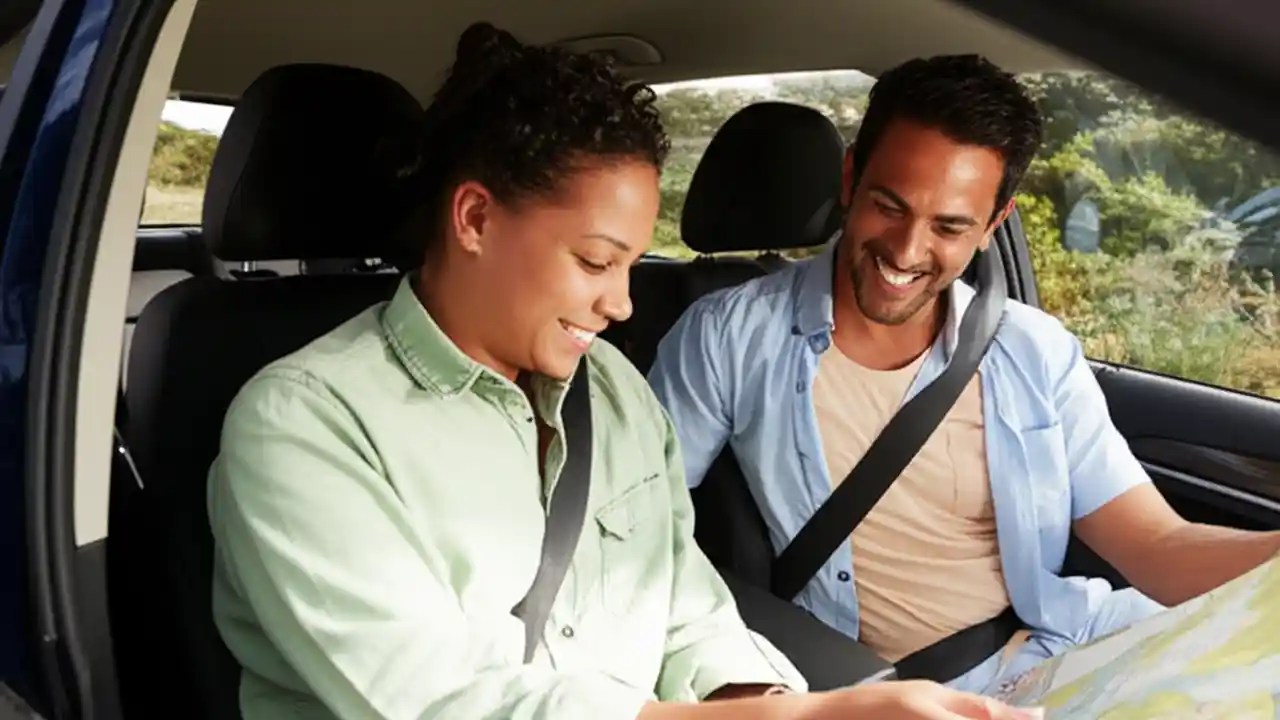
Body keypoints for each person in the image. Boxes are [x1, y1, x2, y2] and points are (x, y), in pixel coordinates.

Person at [205, 23, 1042, 720]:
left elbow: (683, 600)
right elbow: (444, 703)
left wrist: (753, 690)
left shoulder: (609, 391)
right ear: (474, 219)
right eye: (597, 262)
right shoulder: (303, 425)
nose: (622, 305)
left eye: (634, 266)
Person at [647, 54, 1280, 696]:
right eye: (888, 206)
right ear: (849, 180)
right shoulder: (728, 335)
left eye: (949, 226)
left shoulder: (1033, 349)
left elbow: (1157, 547)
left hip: (1081, 638)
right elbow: (635, 526)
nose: (906, 250)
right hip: (914, 688)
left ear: (992, 225)